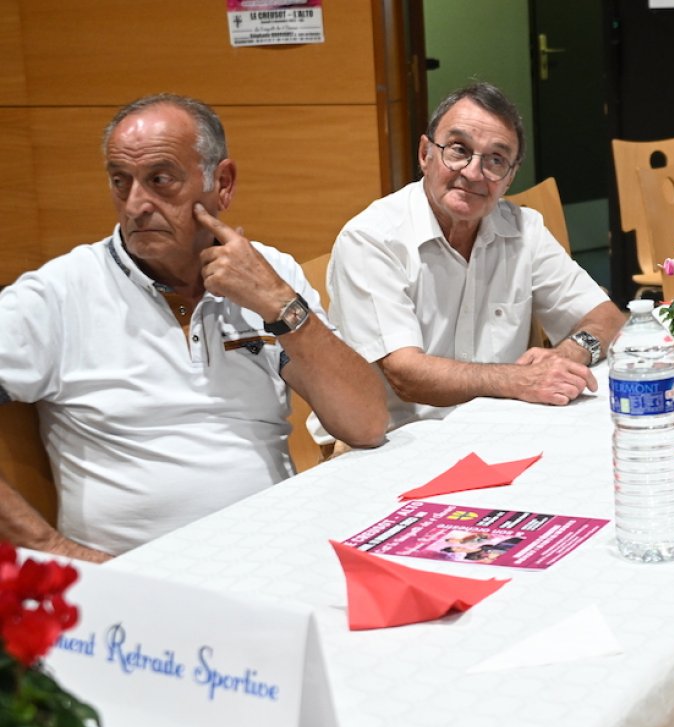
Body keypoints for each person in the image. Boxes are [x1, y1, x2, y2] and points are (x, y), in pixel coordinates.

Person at [0, 94, 388, 562]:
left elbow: (366, 424)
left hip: (277, 551)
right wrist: (47, 548)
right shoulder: (58, 293)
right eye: (120, 181)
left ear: (221, 184)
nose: (135, 205)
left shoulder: (268, 272)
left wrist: (278, 303)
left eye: (160, 180)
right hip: (137, 577)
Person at [325, 82, 625, 433]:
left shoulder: (523, 230)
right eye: (458, 149)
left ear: (509, 177)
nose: (472, 172)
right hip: (394, 439)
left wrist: (566, 355)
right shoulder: (372, 239)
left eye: (496, 160)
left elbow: (607, 318)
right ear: (425, 153)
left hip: (497, 428)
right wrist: (519, 379)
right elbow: (405, 373)